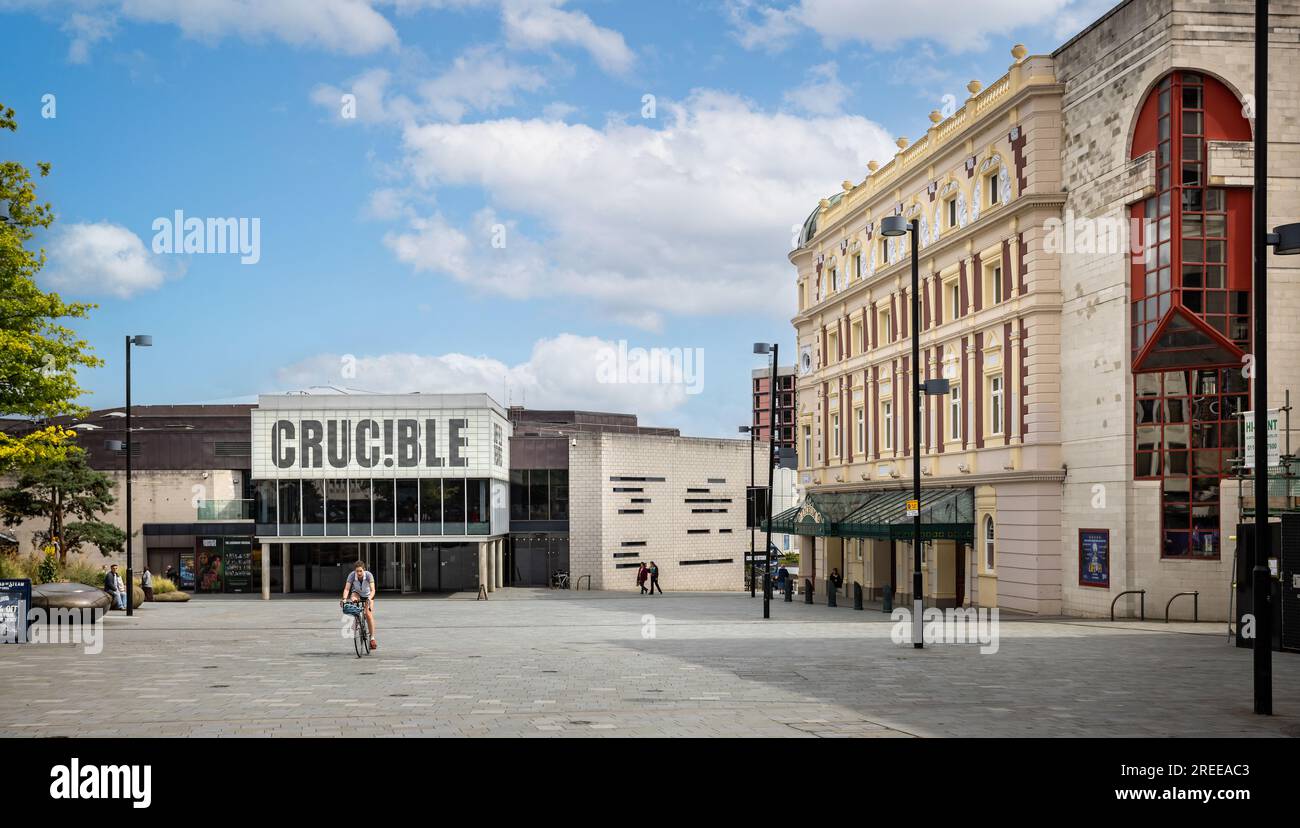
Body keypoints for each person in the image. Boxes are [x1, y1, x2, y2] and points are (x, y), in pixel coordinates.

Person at [341, 560, 378, 651]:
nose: (359, 573)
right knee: (353, 599)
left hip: (368, 595)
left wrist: (369, 598)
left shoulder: (369, 575)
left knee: (368, 614)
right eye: (357, 571)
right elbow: (347, 589)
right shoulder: (352, 575)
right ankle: (357, 618)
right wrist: (344, 599)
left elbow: (373, 589)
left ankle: (372, 638)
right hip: (357, 593)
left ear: (364, 570)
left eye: (360, 571)